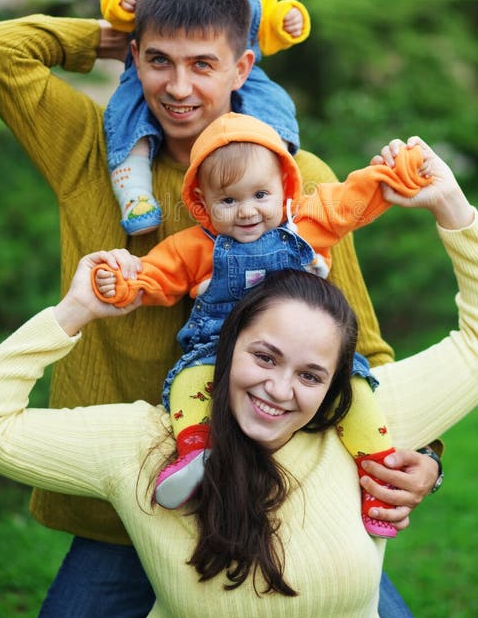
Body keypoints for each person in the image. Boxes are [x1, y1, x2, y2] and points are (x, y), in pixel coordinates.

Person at [0, 0, 440, 618]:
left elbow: (359, 342)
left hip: (287, 486)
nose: (178, 87)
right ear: (136, 57)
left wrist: (421, 454)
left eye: (202, 62)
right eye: (158, 60)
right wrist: (115, 33)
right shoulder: (91, 148)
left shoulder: (295, 183)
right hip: (138, 489)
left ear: (244, 63)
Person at [0, 138, 478, 618]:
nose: (279, 390)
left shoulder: (356, 409)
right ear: (227, 342)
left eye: (312, 374)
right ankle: (200, 450)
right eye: (264, 356)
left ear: (337, 378)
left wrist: (451, 205)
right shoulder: (139, 449)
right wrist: (74, 312)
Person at [93, 112, 432, 538]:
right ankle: (196, 454)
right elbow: (156, 275)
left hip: (302, 350)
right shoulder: (198, 247)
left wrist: (394, 173)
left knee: (354, 389)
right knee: (189, 382)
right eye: (229, 201)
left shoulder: (302, 226)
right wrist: (123, 282)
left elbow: (352, 200)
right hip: (218, 347)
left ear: (285, 190)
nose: (247, 212)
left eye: (259, 195)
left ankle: (379, 473)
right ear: (203, 205)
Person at [100, 0, 311, 235]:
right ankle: (134, 186)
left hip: (242, 73)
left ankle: (270, 170)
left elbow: (263, 33)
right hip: (147, 72)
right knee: (126, 110)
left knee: (275, 103)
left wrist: (285, 22)